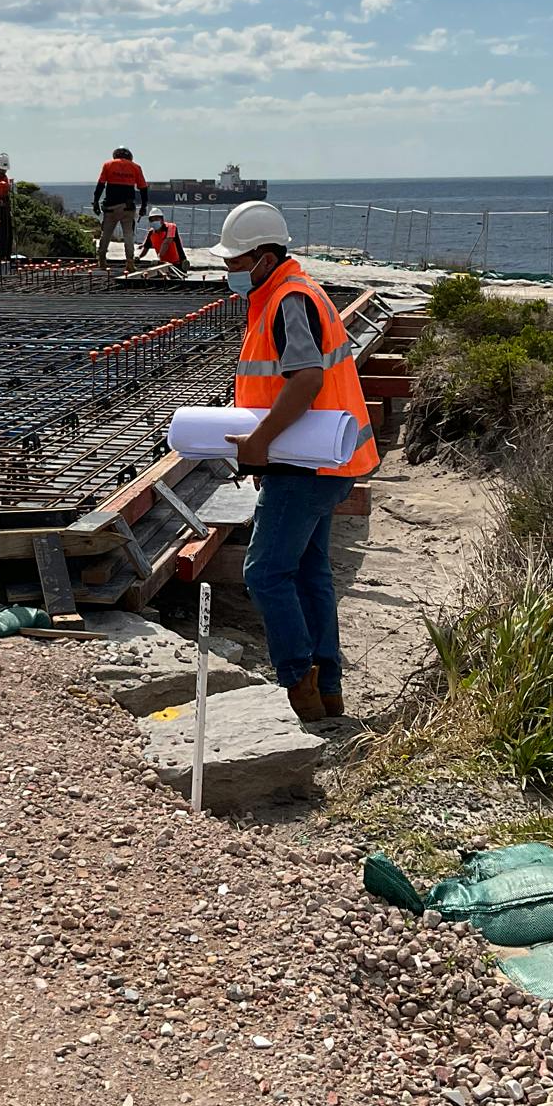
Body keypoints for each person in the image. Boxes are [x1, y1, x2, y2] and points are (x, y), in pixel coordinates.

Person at [212, 201, 378, 722]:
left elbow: (305, 379)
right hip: (323, 459)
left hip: (305, 464)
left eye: (234, 262)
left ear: (263, 256)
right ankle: (327, 692)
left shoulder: (289, 299)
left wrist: (259, 441)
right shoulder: (286, 293)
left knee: (264, 573)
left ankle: (297, 683)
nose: (228, 272)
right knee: (309, 574)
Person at [93, 146, 148, 271]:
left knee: (106, 234)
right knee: (128, 235)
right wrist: (144, 206)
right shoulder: (136, 167)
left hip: (110, 207)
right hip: (128, 208)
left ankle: (102, 260)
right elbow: (143, 188)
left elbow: (100, 185)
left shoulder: (108, 165)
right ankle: (130, 262)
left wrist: (96, 201)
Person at [144, 207, 189, 271]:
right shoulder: (151, 233)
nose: (154, 221)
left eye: (156, 219)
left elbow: (167, 243)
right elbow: (146, 247)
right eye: (152, 220)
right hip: (163, 264)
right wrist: (139, 257)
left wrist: (159, 257)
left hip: (177, 264)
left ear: (162, 220)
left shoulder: (171, 227)